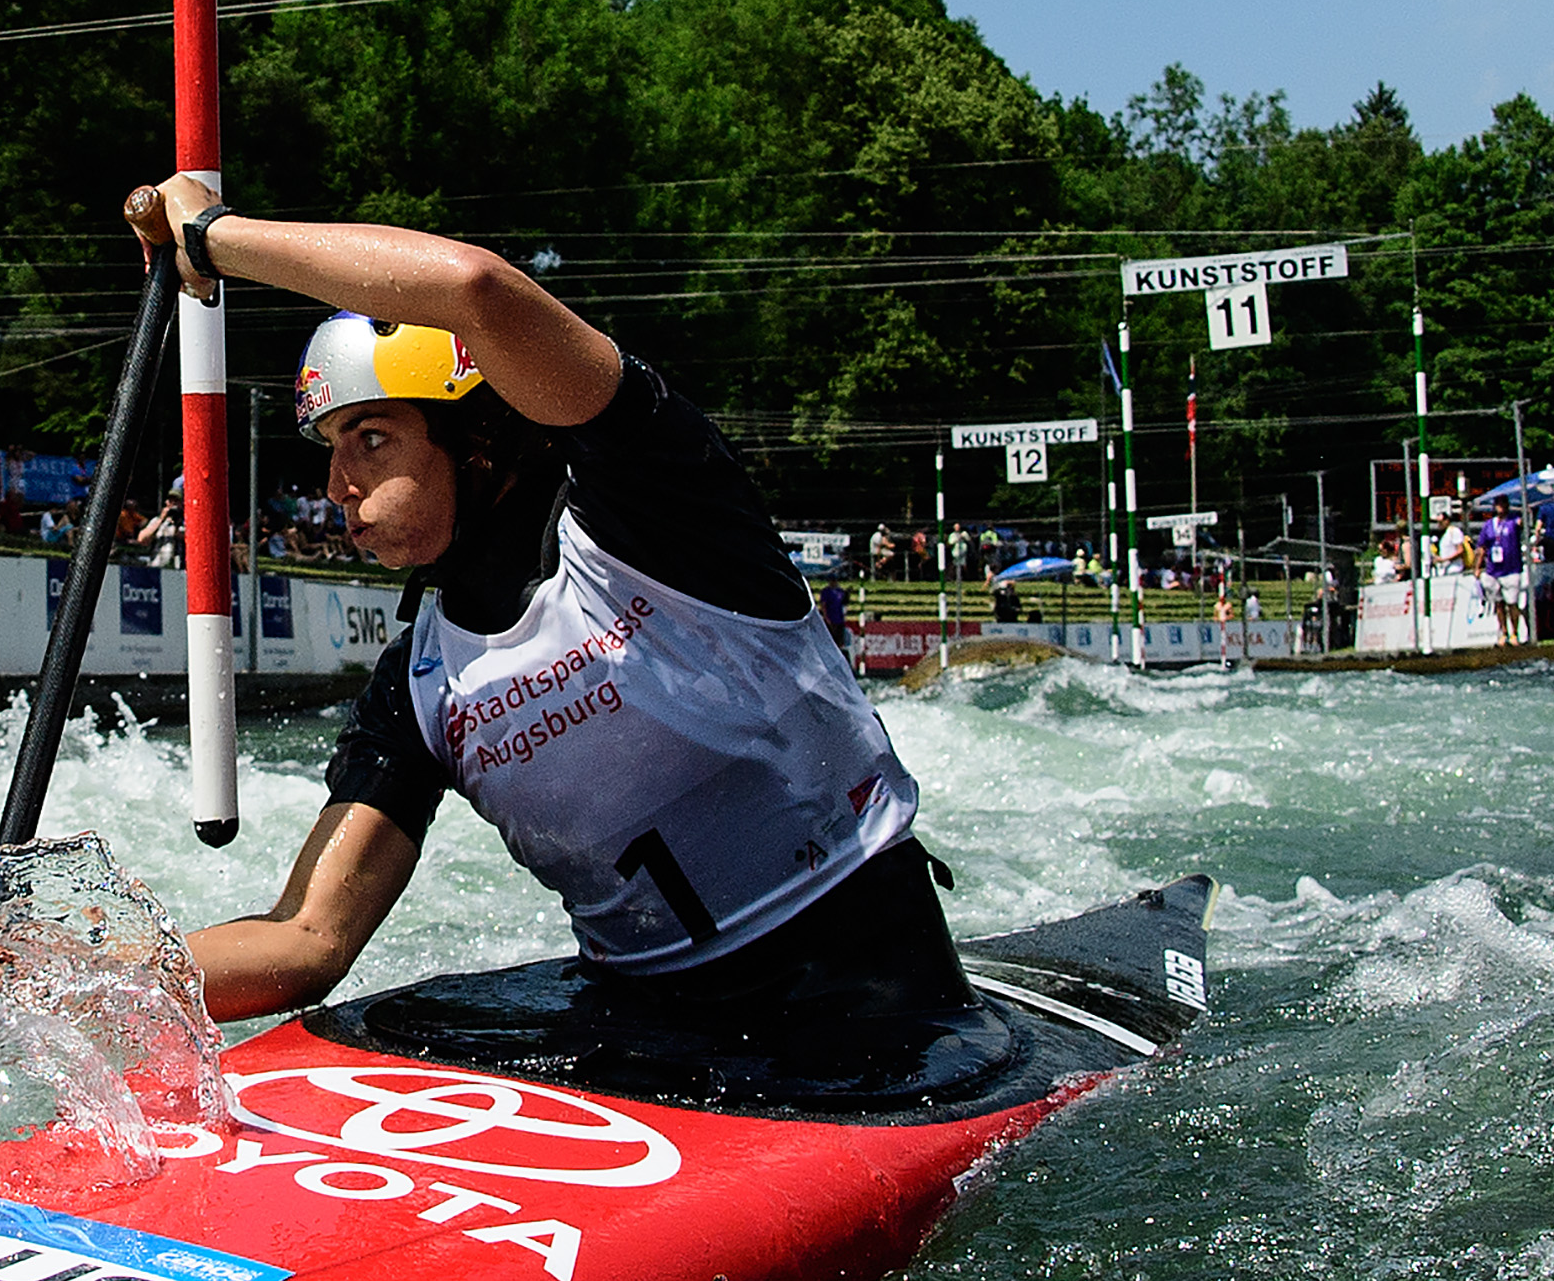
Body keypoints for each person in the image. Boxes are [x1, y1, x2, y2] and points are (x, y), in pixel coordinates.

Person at [130, 178, 967, 1051]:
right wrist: (73, 973)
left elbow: (474, 291)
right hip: (647, 1022)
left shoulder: (650, 501)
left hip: (874, 998)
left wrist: (217, 238)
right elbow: (305, 941)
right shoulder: (418, 686)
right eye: (334, 449)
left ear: (479, 439)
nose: (338, 485)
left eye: (371, 440)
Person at [1478, 500, 1526, 643]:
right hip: (1494, 570)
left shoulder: (1513, 521)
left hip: (1511, 568)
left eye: (1503, 505)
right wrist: (1477, 566)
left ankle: (1515, 633)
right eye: (1498, 505)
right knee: (1499, 603)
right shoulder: (1488, 525)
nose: (1501, 508)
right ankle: (1503, 632)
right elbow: (1481, 546)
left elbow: (1522, 523)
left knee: (1512, 602)